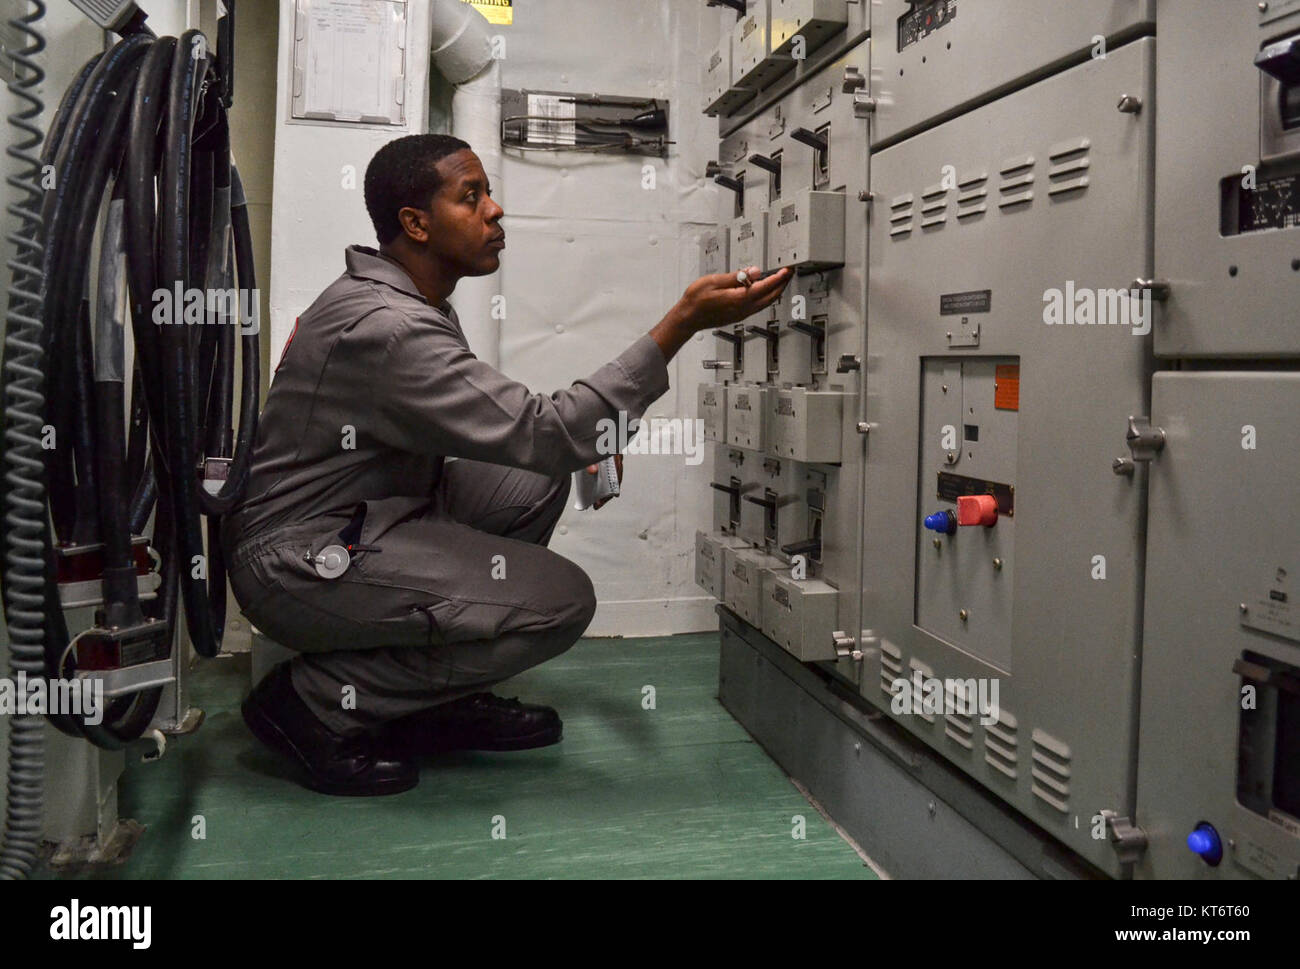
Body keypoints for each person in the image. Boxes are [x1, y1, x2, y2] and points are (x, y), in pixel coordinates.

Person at [221, 133, 791, 796]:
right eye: (473, 197)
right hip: (300, 559)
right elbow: (544, 428)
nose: (496, 210)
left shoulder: (411, 303)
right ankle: (313, 701)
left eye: (489, 193)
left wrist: (583, 442)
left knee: (537, 473)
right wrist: (684, 322)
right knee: (561, 601)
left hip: (369, 517)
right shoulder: (388, 325)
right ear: (416, 223)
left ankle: (434, 698)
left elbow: (520, 433)